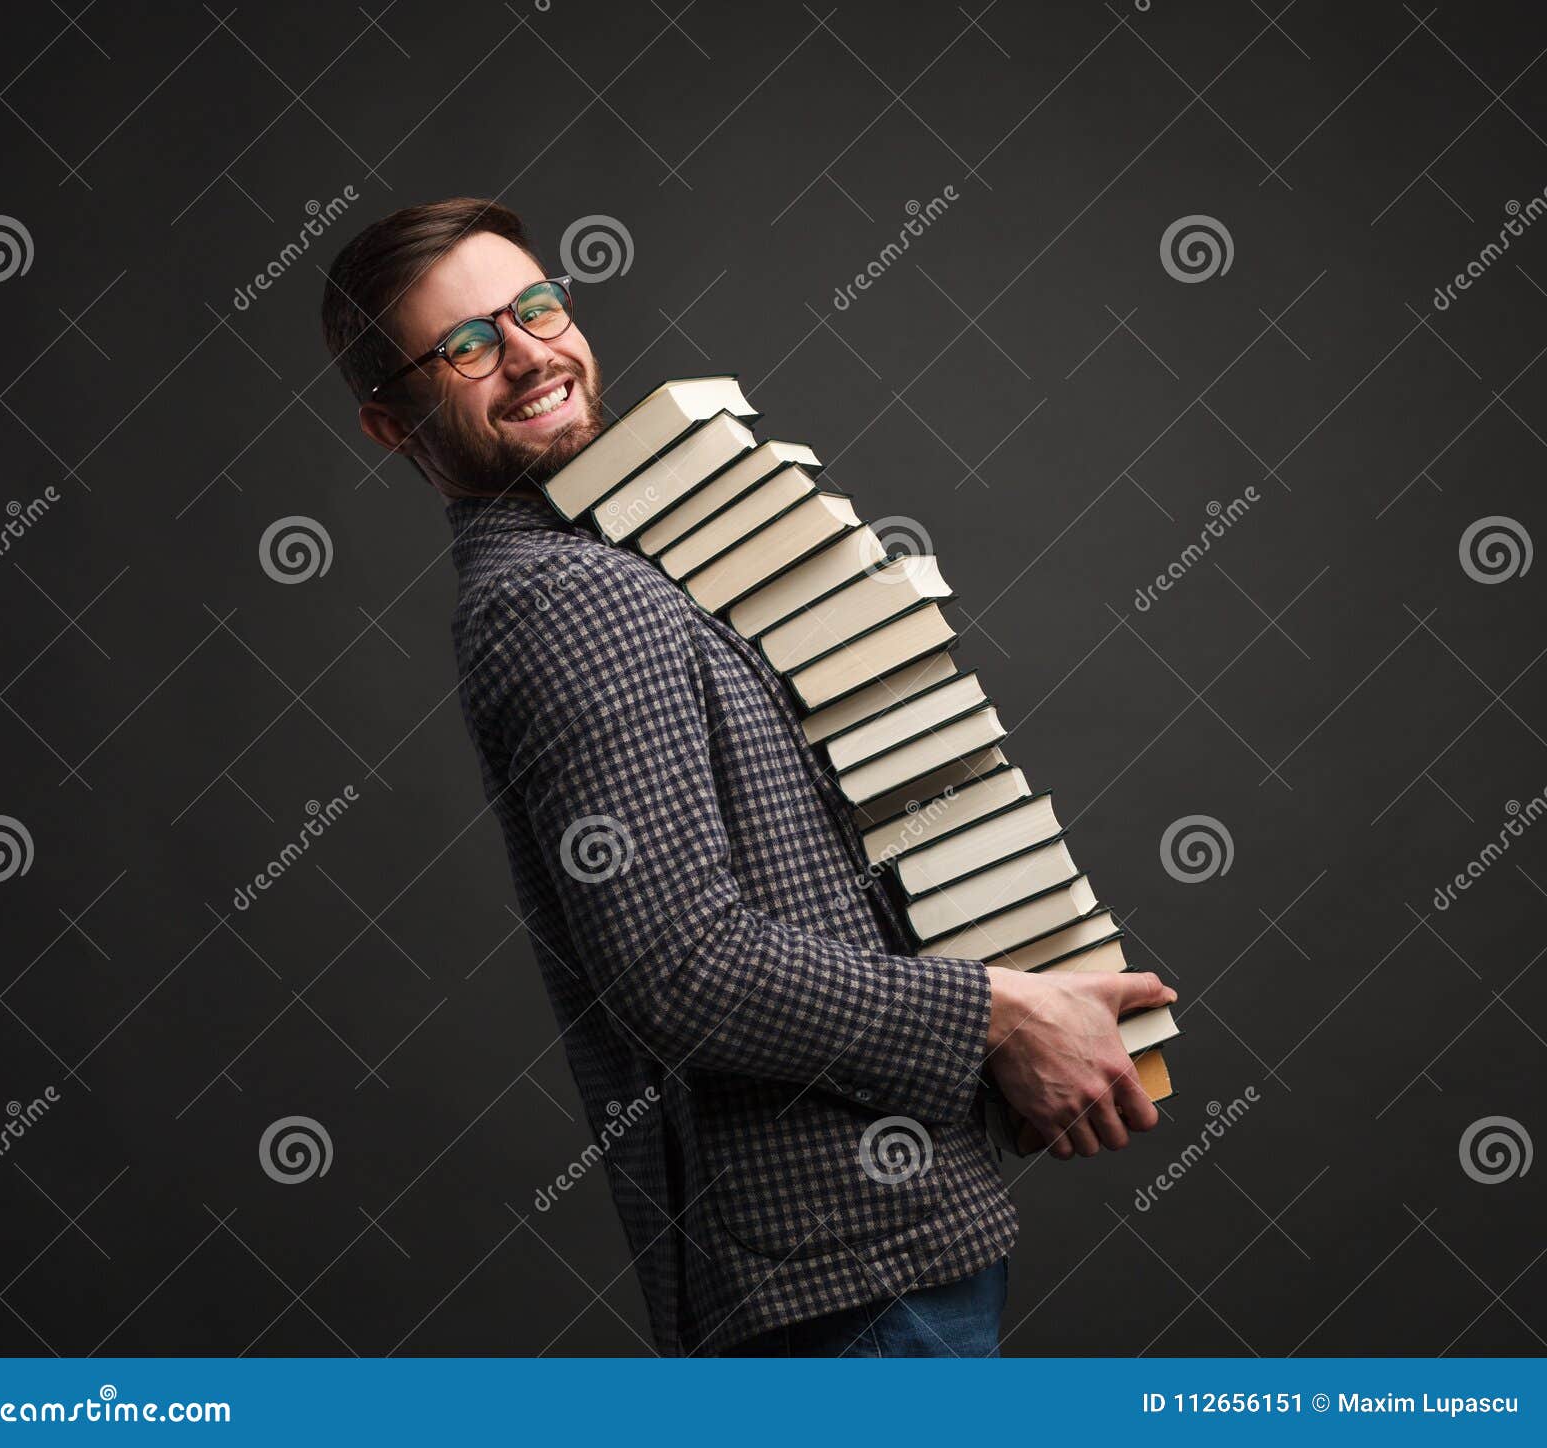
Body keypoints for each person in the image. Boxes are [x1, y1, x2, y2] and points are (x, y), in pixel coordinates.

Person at [321, 197, 1175, 1357]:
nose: (529, 354)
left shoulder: (616, 556)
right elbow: (681, 966)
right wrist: (997, 1014)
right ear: (390, 422)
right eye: (466, 345)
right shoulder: (559, 595)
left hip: (874, 1248)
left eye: (535, 307)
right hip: (836, 1275)